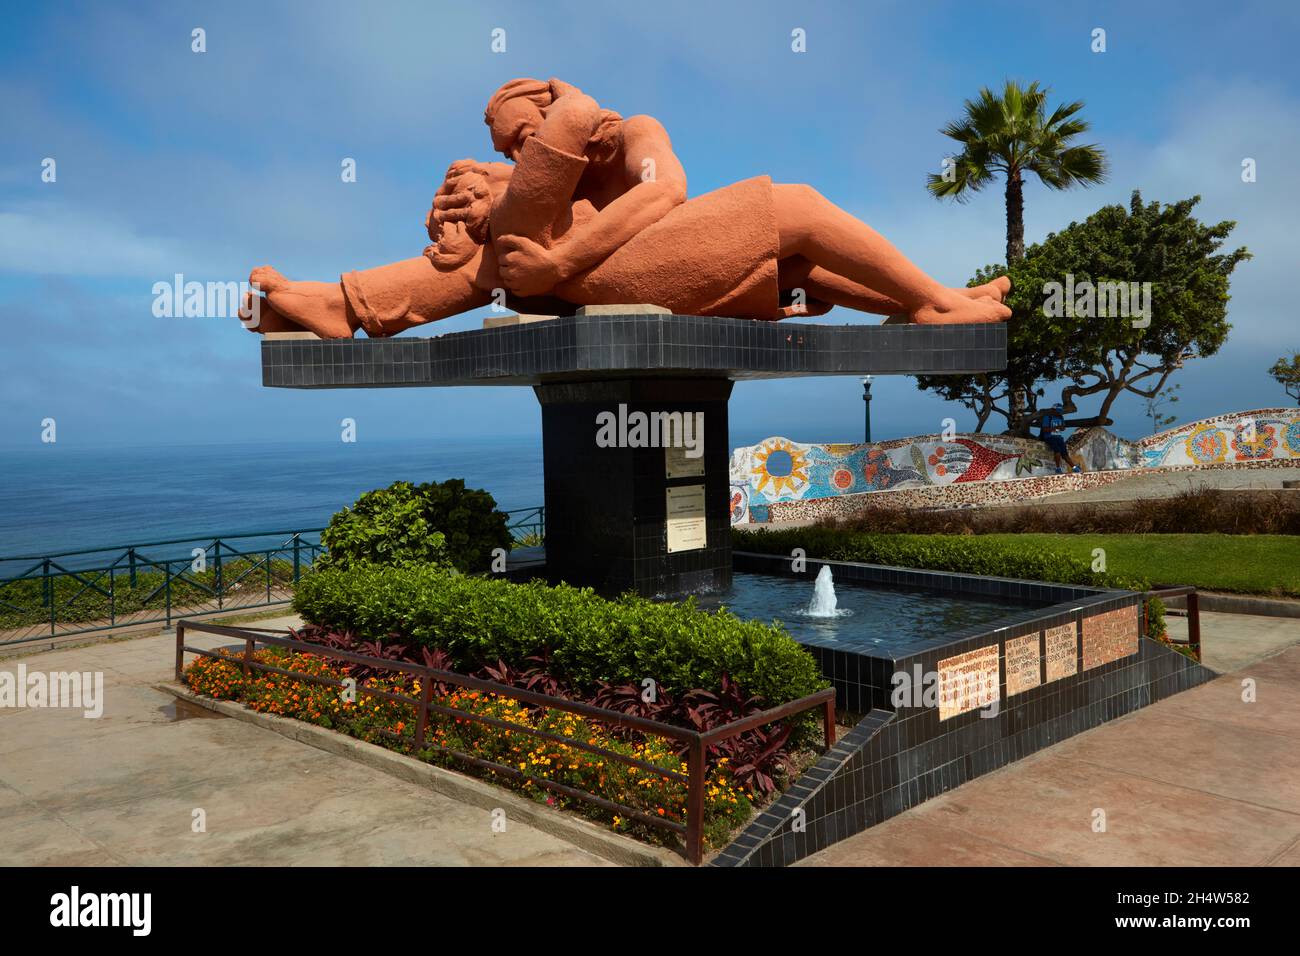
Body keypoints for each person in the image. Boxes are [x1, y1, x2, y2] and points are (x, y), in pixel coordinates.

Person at [1039, 403, 1085, 474]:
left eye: (1060, 411)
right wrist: (1055, 428)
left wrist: (1062, 428)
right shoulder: (1047, 417)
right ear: (1053, 410)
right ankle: (1058, 468)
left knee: (1065, 454)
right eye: (1058, 411)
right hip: (1050, 437)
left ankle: (1074, 468)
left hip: (1059, 438)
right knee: (1057, 451)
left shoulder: (1060, 417)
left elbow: (1063, 427)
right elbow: (1045, 429)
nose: (1059, 413)